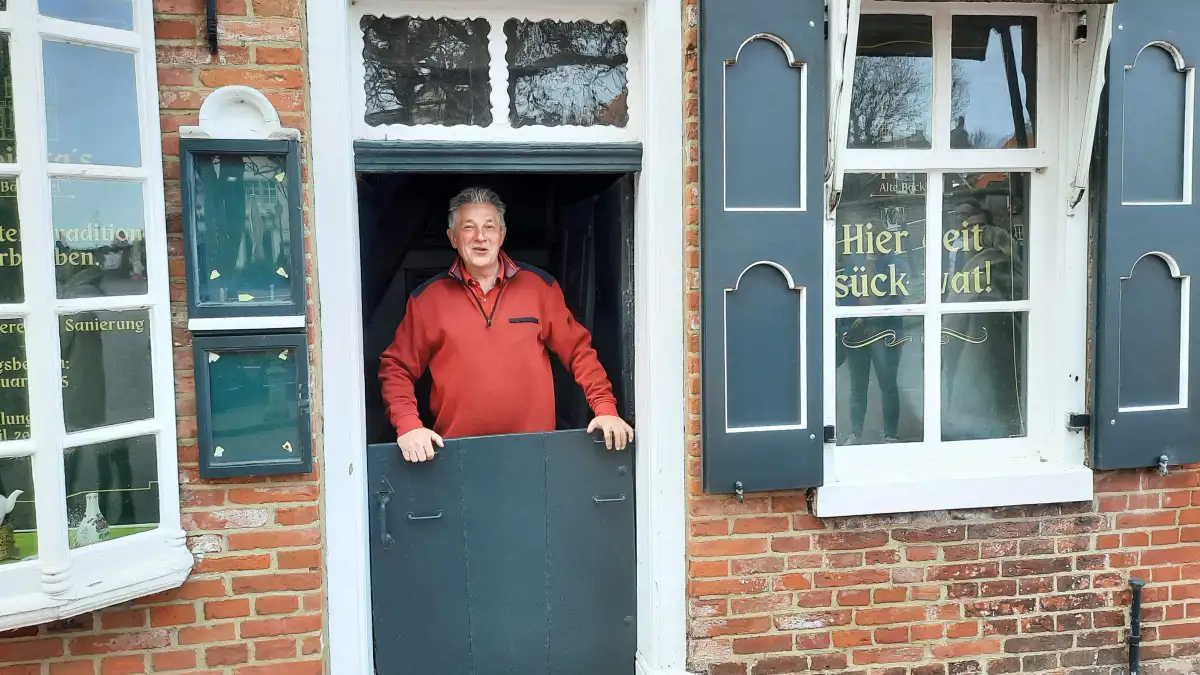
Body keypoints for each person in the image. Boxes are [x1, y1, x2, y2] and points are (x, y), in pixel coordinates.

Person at [378, 187, 635, 462]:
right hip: (456, 458)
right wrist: (408, 425)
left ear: (502, 235)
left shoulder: (540, 288)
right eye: (469, 227)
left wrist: (605, 408)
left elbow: (578, 352)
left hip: (535, 453)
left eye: (489, 227)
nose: (480, 237)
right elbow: (396, 368)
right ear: (453, 237)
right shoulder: (427, 300)